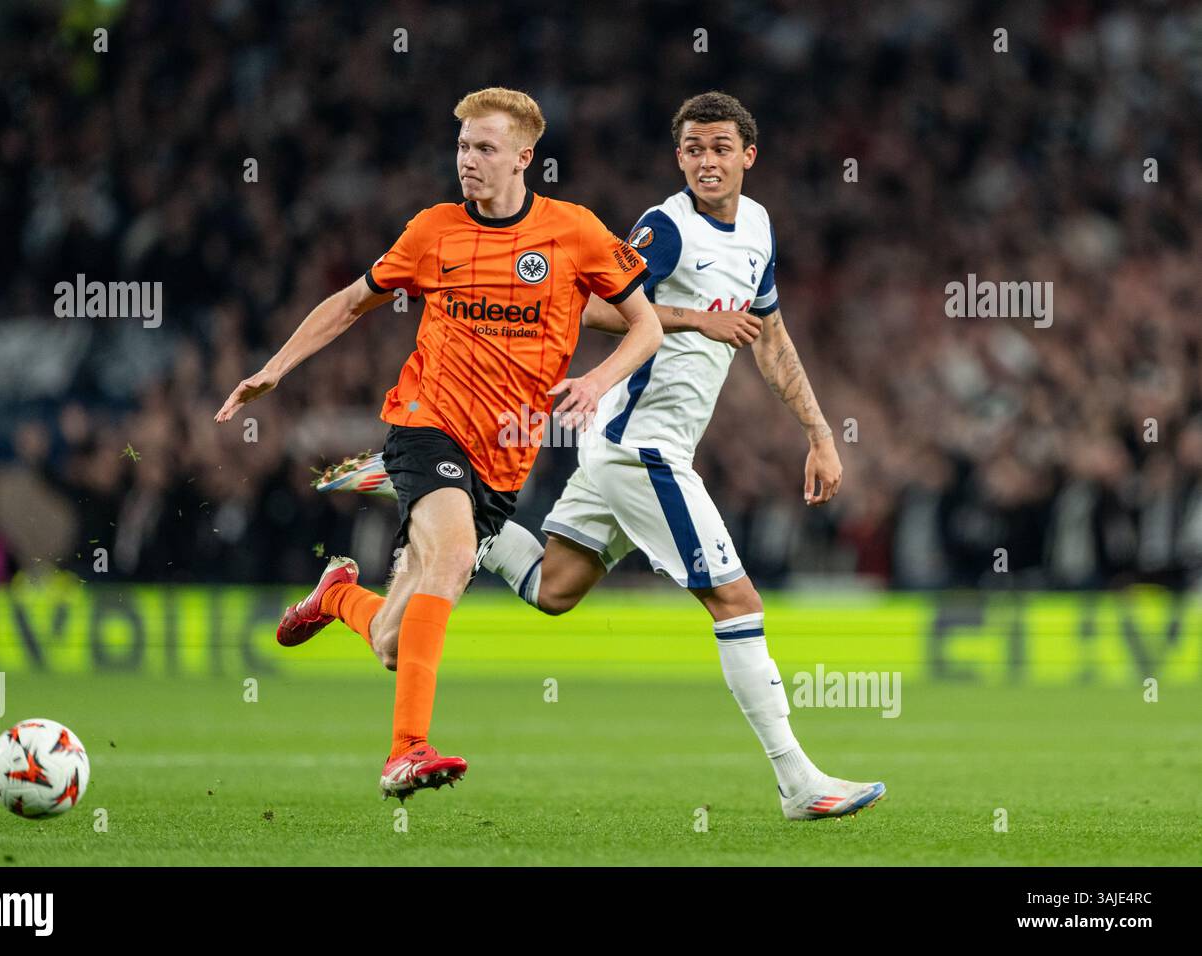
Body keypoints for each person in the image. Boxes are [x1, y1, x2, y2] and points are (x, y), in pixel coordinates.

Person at [322, 92, 885, 820]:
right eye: (692, 148)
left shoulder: (758, 229)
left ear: (750, 156)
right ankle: (798, 783)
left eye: (720, 147)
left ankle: (430, 501)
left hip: (630, 446)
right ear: (677, 156)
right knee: (737, 601)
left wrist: (818, 432)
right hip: (638, 446)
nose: (705, 160)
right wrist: (687, 322)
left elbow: (768, 336)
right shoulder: (667, 229)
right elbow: (581, 299)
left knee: (554, 588)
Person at [215, 87, 662, 801]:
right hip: (426, 426)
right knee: (454, 556)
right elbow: (350, 301)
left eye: (484, 148)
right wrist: (273, 367)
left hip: (503, 460)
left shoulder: (573, 232)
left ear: (524, 157)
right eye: (462, 147)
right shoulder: (433, 231)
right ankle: (406, 750)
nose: (468, 161)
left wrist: (598, 380)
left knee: (394, 643)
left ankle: (337, 599)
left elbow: (645, 324)